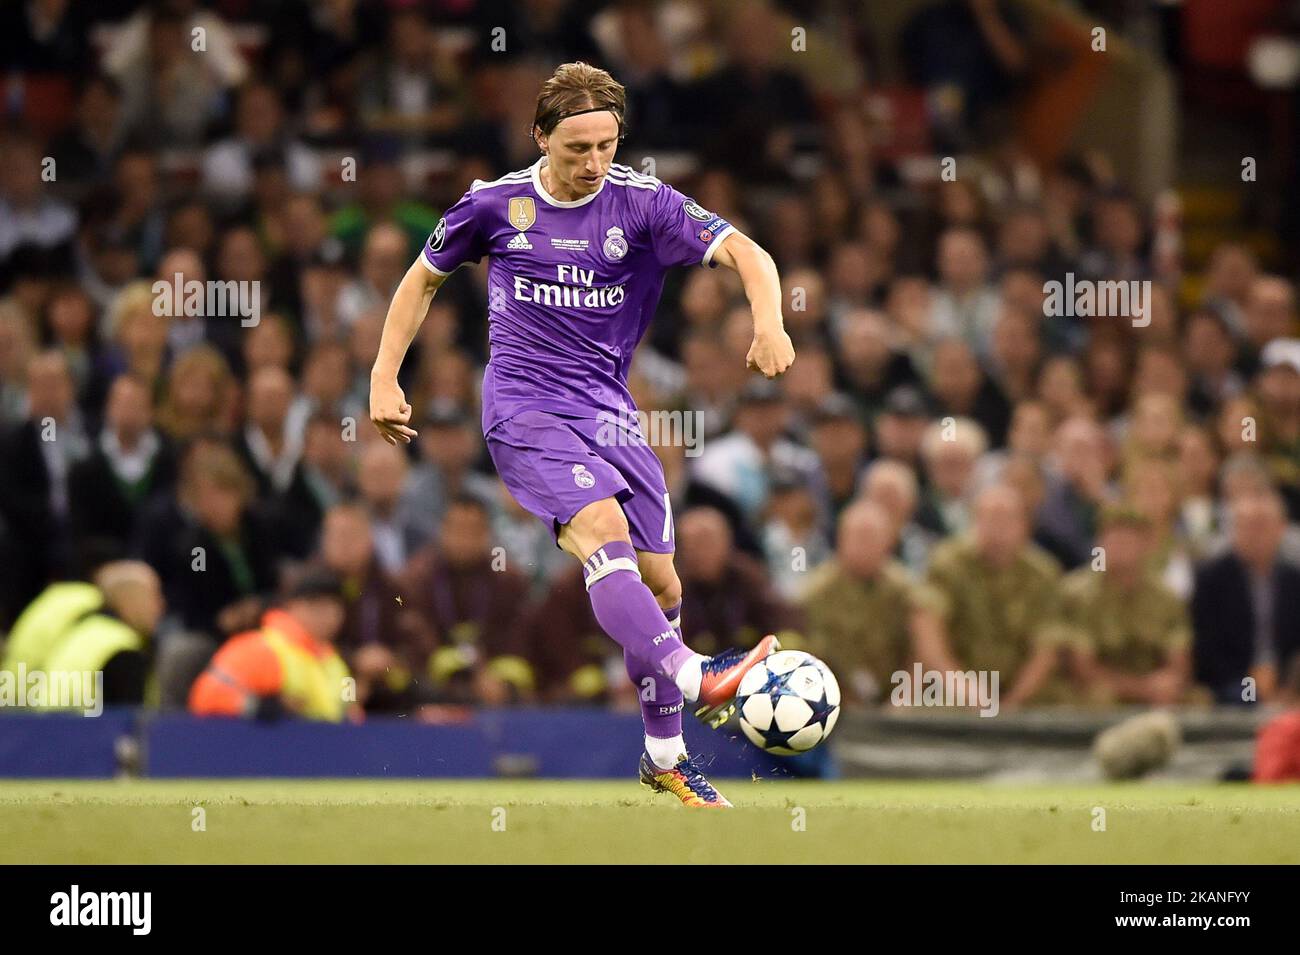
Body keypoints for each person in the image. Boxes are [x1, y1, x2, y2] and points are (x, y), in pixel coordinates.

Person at [369, 62, 794, 807]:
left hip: (610, 413)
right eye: (577, 148)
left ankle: (664, 755)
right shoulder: (494, 205)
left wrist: (770, 321)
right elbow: (420, 281)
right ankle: (700, 676)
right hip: (524, 408)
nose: (594, 162)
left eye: (606, 144)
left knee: (662, 581)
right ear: (541, 138)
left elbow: (748, 255)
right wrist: (383, 375)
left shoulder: (645, 204)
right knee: (600, 529)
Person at [188, 569, 357, 723]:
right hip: (268, 751)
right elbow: (207, 695)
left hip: (321, 752)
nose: (328, 617)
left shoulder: (334, 662)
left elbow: (350, 714)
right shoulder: (262, 648)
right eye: (317, 606)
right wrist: (261, 705)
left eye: (335, 608)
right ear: (292, 606)